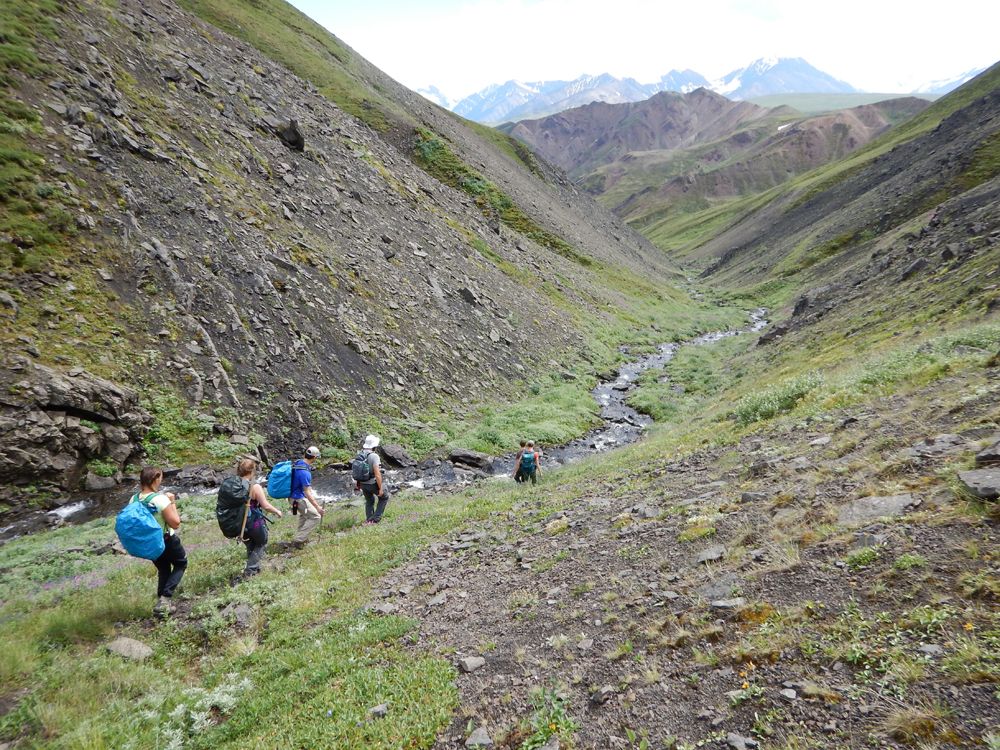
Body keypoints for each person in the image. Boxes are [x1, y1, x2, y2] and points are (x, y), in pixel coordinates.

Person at [133, 466, 187, 617]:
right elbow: (175, 523)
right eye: (160, 478)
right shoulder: (160, 499)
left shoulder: (134, 499)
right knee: (181, 563)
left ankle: (161, 603)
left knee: (163, 569)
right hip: (165, 539)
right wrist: (172, 502)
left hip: (148, 542)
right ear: (155, 479)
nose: (161, 480)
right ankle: (165, 598)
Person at [237, 458, 282, 578]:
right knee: (262, 542)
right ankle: (250, 571)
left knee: (251, 544)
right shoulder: (254, 486)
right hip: (253, 521)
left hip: (239, 522)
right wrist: (277, 511)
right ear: (252, 471)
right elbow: (265, 506)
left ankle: (255, 568)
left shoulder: (234, 484)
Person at [290, 446, 324, 548]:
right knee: (315, 516)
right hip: (298, 498)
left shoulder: (298, 463)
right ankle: (299, 539)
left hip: (292, 497)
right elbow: (308, 492)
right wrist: (318, 507)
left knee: (304, 515)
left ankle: (300, 538)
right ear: (314, 457)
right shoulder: (305, 472)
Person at [354, 434, 389, 524]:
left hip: (362, 483)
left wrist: (358, 484)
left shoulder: (360, 454)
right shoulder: (374, 456)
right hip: (372, 483)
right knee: (384, 497)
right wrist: (380, 487)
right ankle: (375, 519)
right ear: (374, 446)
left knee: (369, 500)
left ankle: (369, 519)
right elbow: (377, 474)